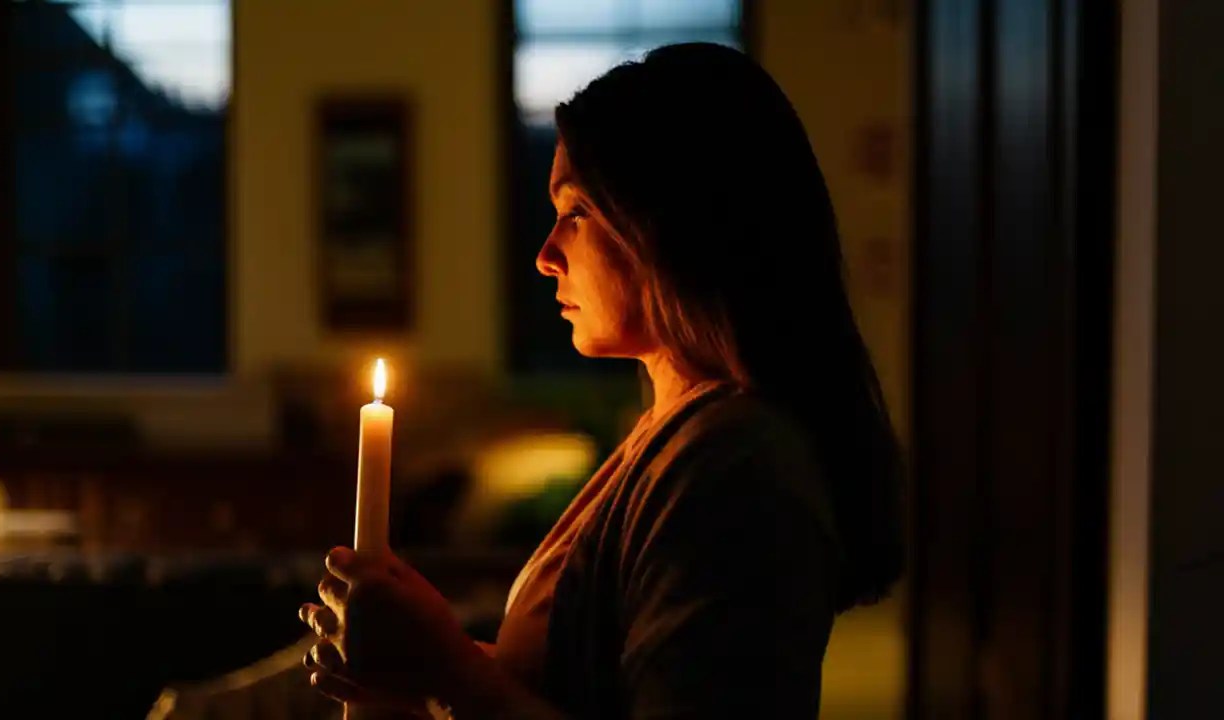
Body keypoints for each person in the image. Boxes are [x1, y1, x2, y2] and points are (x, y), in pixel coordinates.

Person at [298, 42, 904, 719]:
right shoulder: (676, 432)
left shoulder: (737, 468)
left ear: (666, 227)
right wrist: (423, 662)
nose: (545, 255)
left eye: (577, 212)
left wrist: (450, 668)